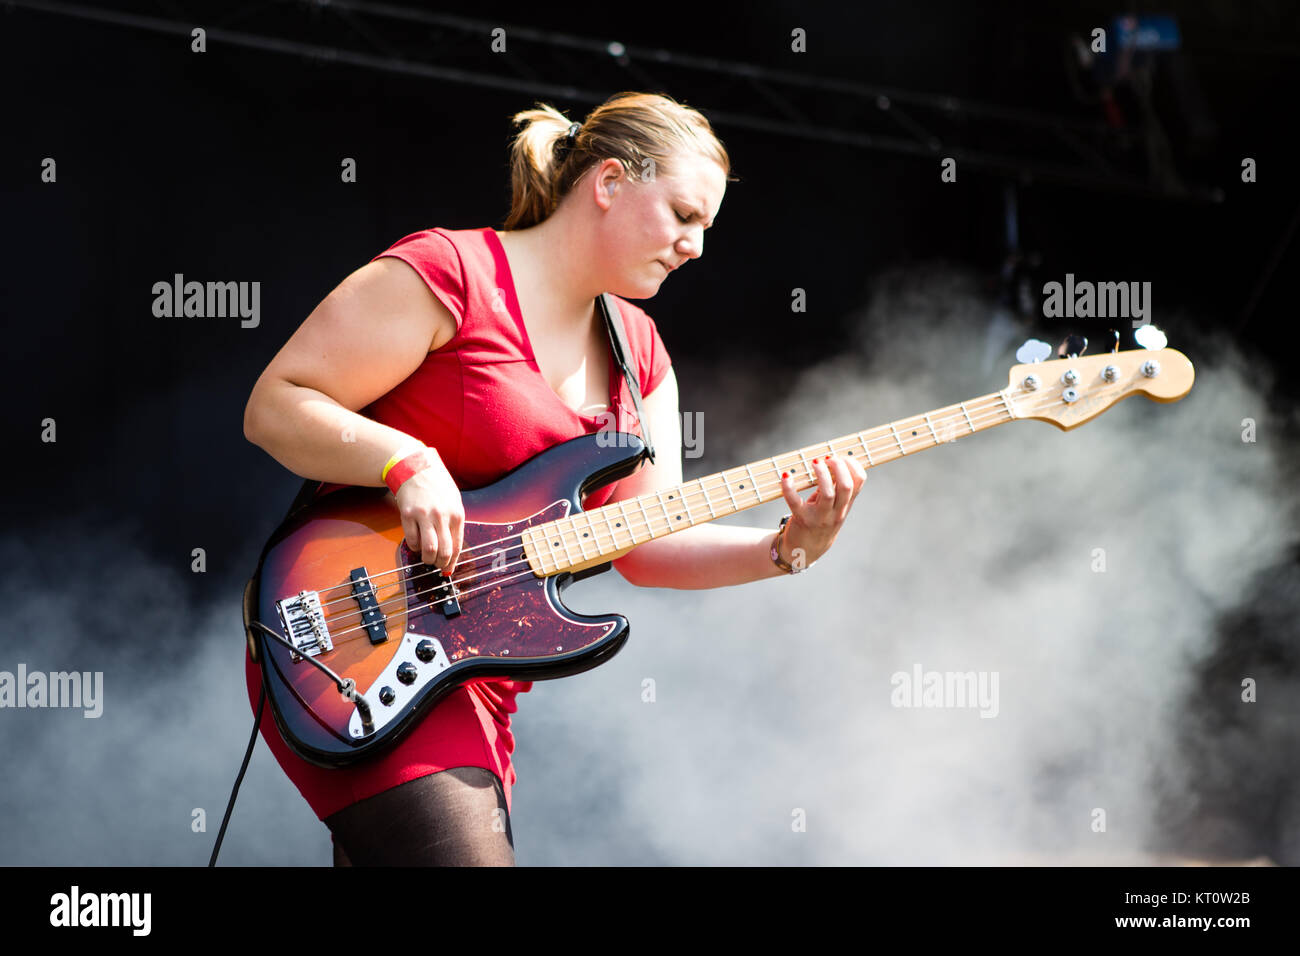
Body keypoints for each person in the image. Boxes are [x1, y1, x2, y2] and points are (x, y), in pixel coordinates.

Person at [241, 91, 868, 866]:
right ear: (608, 182)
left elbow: (649, 546)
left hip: (472, 671)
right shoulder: (451, 271)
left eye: (705, 227)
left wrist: (790, 545)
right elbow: (277, 406)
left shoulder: (640, 353)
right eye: (681, 214)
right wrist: (405, 462)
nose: (696, 246)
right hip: (346, 629)